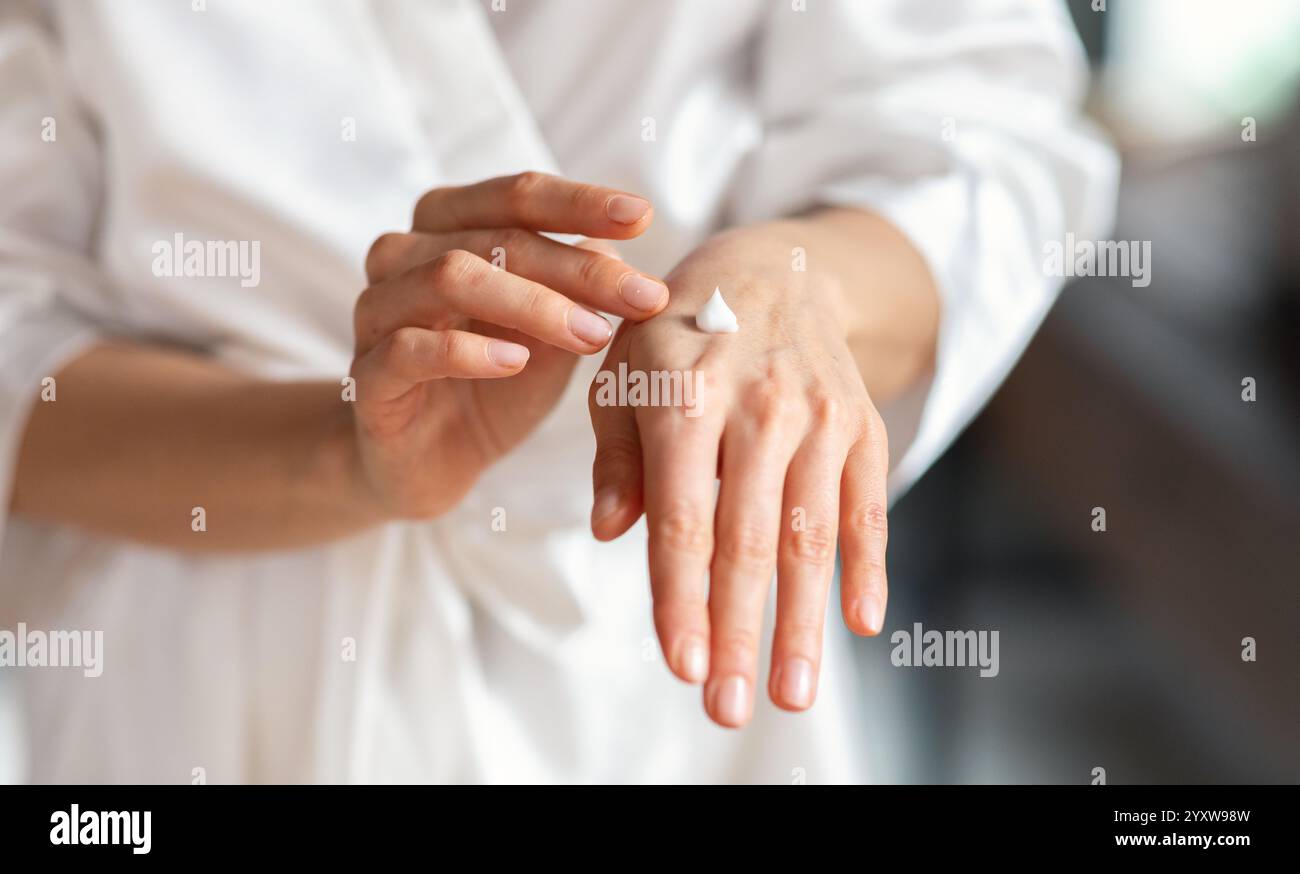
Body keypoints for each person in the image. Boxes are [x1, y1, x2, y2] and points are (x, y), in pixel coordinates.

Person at [0, 0, 1116, 782]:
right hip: (186, 667)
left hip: (653, 658)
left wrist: (796, 288)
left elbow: (985, 136)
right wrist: (346, 451)